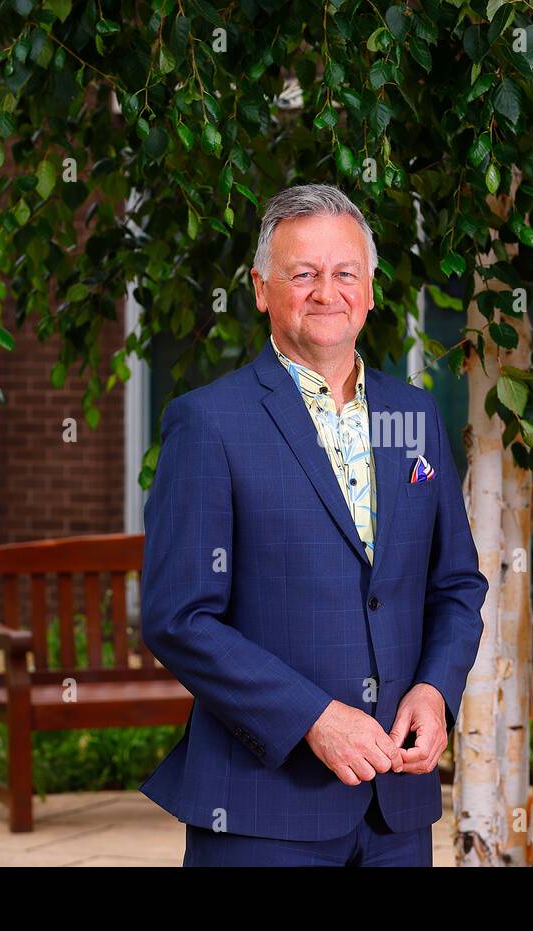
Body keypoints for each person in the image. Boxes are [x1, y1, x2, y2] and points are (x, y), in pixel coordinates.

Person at [139, 183, 488, 866]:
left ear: (370, 286)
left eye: (344, 272)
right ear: (263, 288)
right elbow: (178, 617)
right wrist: (313, 720)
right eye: (304, 274)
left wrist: (435, 690)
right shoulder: (209, 423)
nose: (327, 291)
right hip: (261, 808)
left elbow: (456, 585)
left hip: (396, 805)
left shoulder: (413, 418)